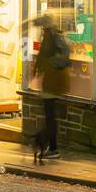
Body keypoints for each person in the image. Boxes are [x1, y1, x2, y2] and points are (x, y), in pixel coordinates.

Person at [31, 14, 70, 159]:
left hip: (52, 82)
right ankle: (50, 146)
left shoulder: (51, 37)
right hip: (52, 81)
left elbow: (46, 57)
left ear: (45, 27)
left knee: (50, 116)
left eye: (42, 27)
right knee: (50, 115)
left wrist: (43, 66)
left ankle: (53, 148)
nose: (41, 30)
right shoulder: (53, 36)